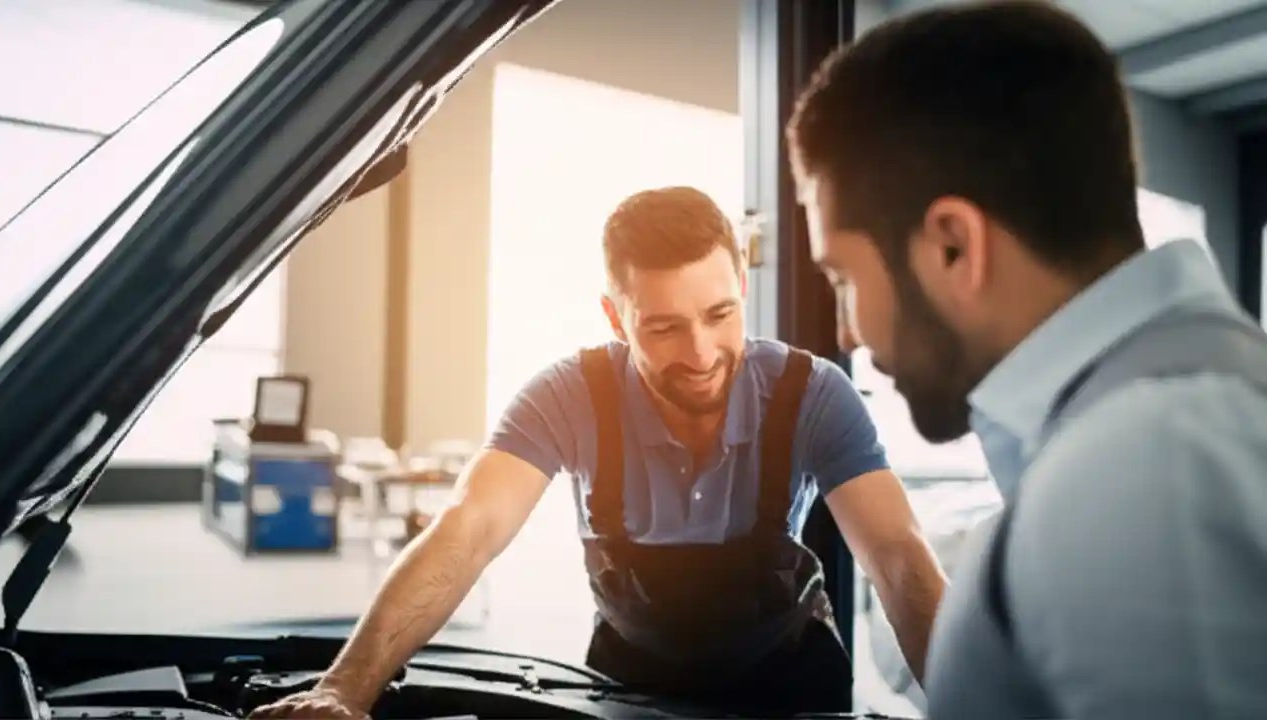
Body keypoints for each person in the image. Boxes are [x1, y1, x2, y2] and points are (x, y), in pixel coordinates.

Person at [250, 186, 947, 718]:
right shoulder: (567, 395)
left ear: (742, 288)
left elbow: (898, 558)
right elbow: (465, 535)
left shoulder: (814, 393)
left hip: (790, 684)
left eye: (720, 315)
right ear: (616, 317)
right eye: (665, 327)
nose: (702, 354)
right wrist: (344, 690)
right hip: (628, 684)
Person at [786, 1, 1267, 718]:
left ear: (953, 245)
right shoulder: (1185, 411)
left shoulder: (1143, 463)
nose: (847, 333)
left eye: (844, 280)